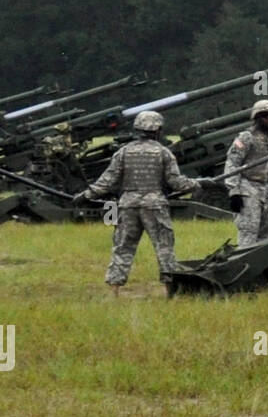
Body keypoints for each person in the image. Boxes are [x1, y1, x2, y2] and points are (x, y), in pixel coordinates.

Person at [74, 110, 200, 296]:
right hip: (154, 205)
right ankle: (170, 291)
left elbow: (107, 180)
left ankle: (114, 292)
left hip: (128, 205)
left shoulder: (123, 152)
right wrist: (197, 184)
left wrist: (86, 195)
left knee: (123, 247)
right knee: (164, 247)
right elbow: (176, 183)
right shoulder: (163, 153)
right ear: (157, 130)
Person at [224, 99, 268, 247]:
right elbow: (232, 163)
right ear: (256, 117)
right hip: (248, 189)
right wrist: (234, 192)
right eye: (264, 115)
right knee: (249, 233)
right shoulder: (246, 137)